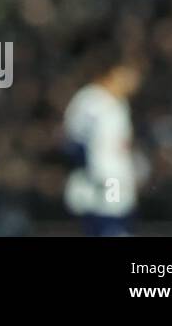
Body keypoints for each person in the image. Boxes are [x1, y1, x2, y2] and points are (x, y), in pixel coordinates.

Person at [62, 50, 143, 236]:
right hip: (100, 183)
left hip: (116, 181)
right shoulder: (90, 101)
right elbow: (73, 143)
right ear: (113, 72)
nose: (134, 81)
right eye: (129, 74)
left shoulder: (118, 104)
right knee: (108, 228)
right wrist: (94, 176)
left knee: (118, 226)